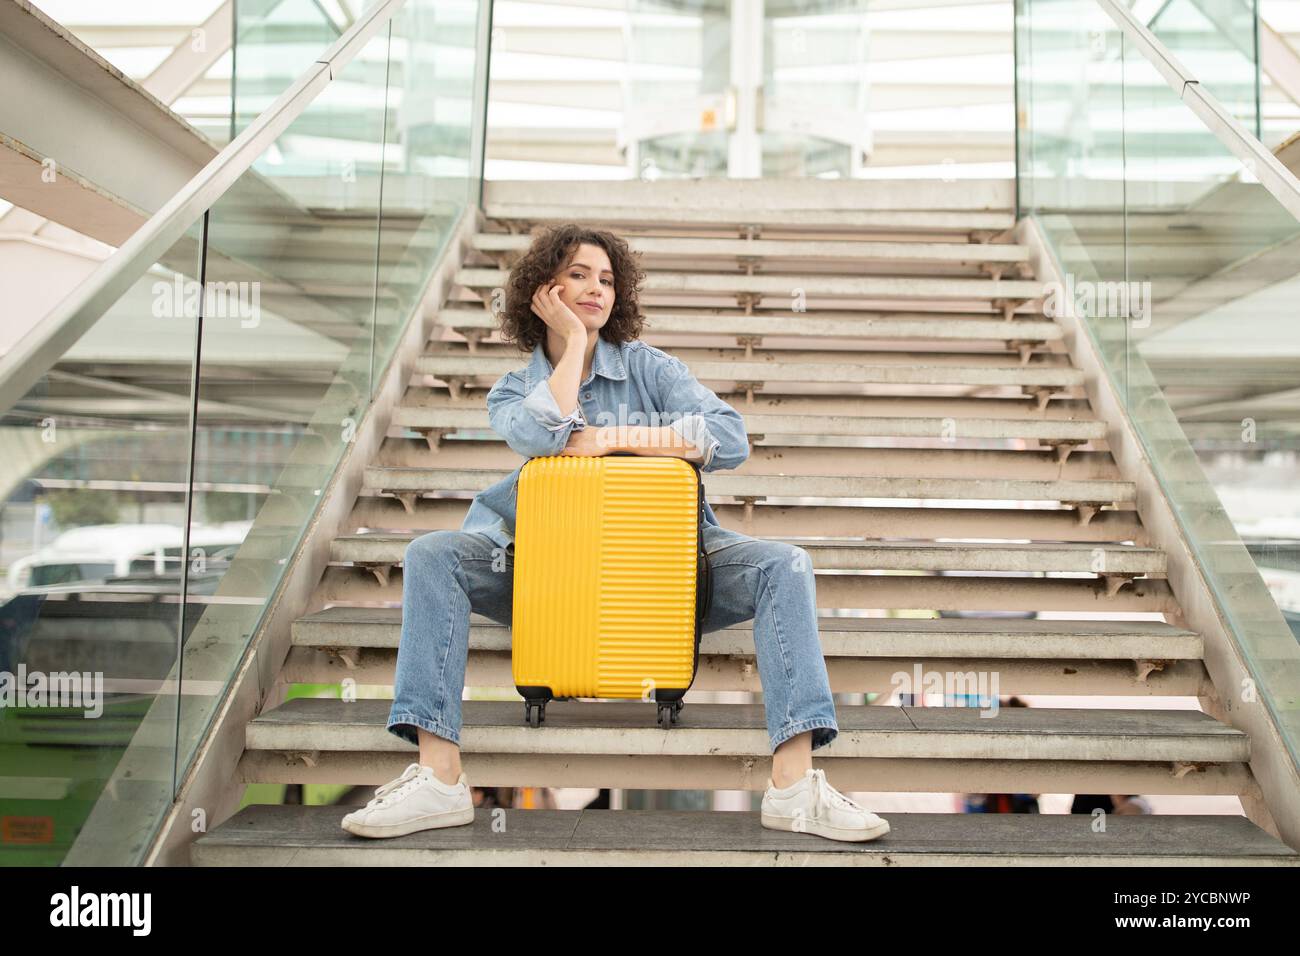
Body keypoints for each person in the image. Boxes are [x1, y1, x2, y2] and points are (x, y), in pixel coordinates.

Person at [341, 224, 889, 843]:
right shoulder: (514, 390)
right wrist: (574, 342)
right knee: (430, 553)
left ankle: (795, 788)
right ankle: (438, 779)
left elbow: (730, 437)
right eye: (578, 274)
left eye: (606, 279)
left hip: (671, 572)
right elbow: (541, 435)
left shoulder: (648, 369)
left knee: (786, 565)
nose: (596, 288)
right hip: (540, 575)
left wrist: (617, 439)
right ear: (542, 289)